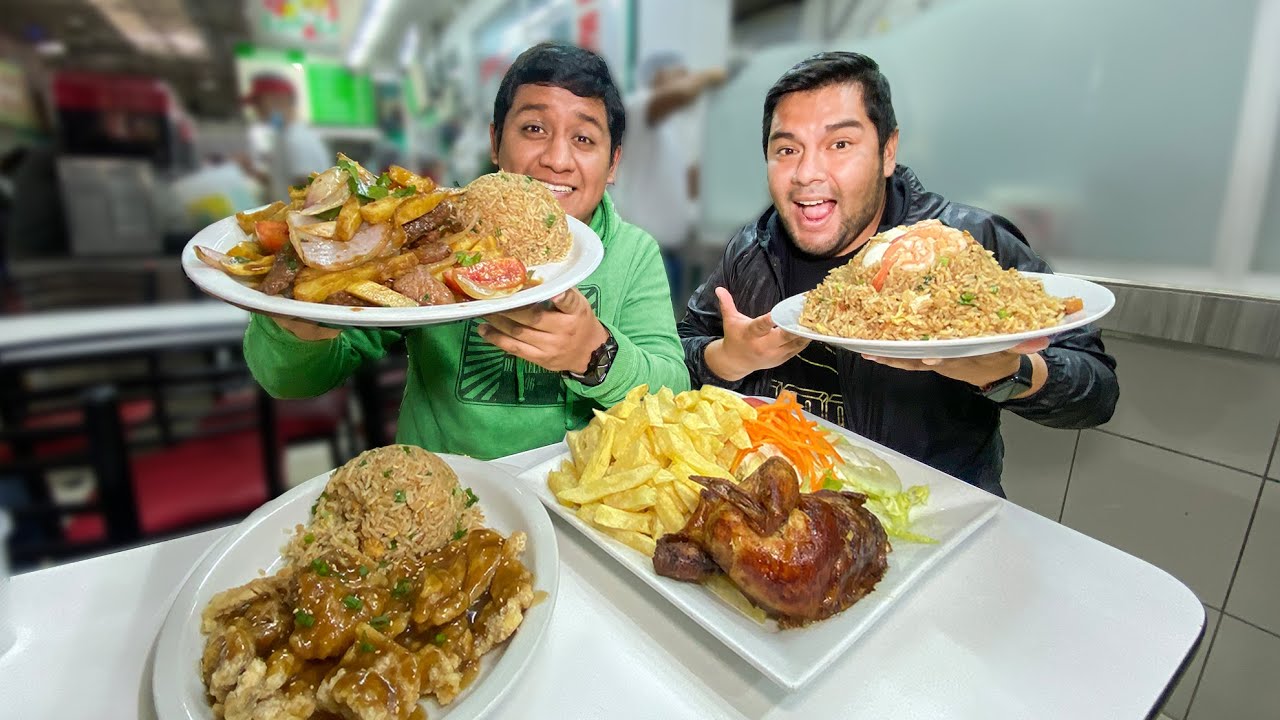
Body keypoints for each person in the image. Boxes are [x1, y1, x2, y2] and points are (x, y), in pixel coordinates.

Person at [677, 52, 1118, 496]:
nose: (807, 173)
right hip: (789, 513)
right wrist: (730, 358)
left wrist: (1006, 372)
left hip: (935, 519)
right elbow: (678, 351)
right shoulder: (752, 249)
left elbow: (1096, 391)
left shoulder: (968, 242)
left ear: (887, 151)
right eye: (787, 150)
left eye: (840, 144)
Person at [243, 42, 689, 459]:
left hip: (573, 500)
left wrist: (595, 354)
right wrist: (300, 332)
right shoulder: (429, 232)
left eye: (584, 139)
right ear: (495, 143)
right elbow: (288, 381)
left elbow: (675, 388)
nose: (557, 158)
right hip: (446, 489)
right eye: (534, 128)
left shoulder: (634, 252)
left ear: (612, 164)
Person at [610, 52, 726, 304]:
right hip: (644, 253)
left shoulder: (669, 127)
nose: (687, 78)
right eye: (680, 74)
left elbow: (687, 183)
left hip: (672, 253)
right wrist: (712, 74)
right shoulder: (639, 108)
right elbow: (682, 93)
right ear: (659, 76)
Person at [239, 73, 331, 200]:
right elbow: (283, 182)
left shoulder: (297, 139)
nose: (257, 112)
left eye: (259, 104)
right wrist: (253, 171)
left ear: (280, 99)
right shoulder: (284, 136)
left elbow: (312, 193)